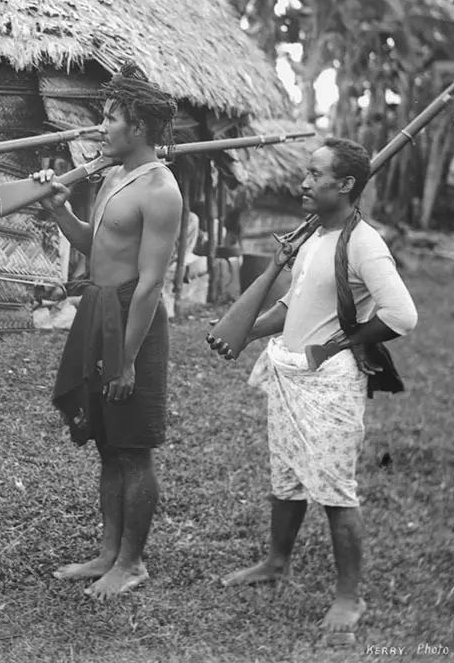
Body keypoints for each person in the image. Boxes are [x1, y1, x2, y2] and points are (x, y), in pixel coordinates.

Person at [209, 137, 418, 635]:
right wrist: (240, 332)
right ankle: (275, 563)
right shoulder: (315, 238)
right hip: (288, 373)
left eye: (315, 175)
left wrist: (343, 341)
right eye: (306, 173)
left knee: (335, 491)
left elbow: (403, 315)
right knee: (287, 478)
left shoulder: (364, 243)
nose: (303, 183)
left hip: (329, 384)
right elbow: (292, 309)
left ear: (345, 185)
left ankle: (350, 598)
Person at [31, 62, 182, 600]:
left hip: (130, 318)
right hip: (98, 309)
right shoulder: (115, 175)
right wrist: (59, 212)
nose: (101, 127)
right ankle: (107, 550)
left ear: (138, 127)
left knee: (133, 447)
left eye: (111, 118)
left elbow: (148, 284)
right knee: (106, 441)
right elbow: (96, 247)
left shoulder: (162, 191)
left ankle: (132, 562)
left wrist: (126, 358)